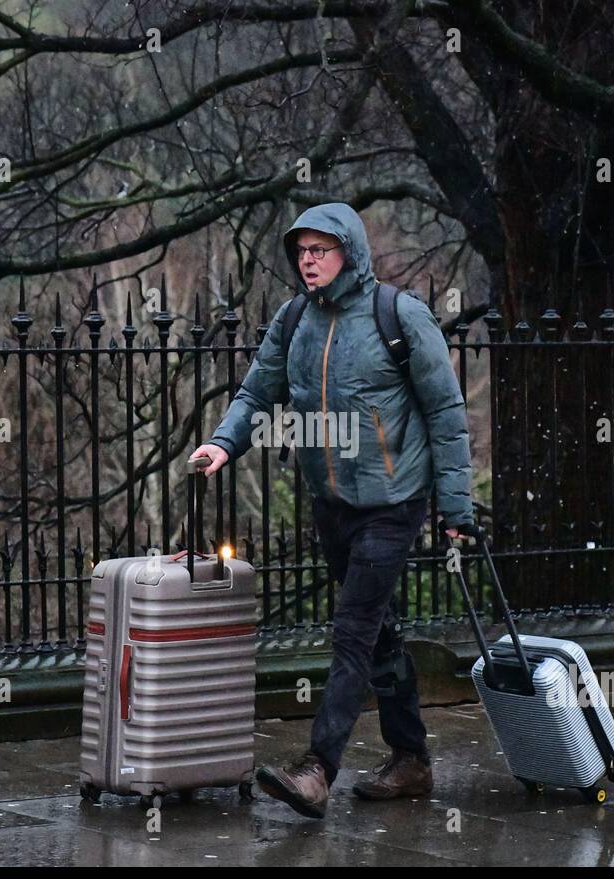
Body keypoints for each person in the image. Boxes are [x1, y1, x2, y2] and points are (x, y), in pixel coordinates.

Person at [189, 202, 474, 819]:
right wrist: (223, 442)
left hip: (394, 502)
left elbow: (447, 415)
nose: (308, 261)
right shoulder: (295, 320)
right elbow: (257, 390)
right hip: (331, 502)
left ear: (351, 252)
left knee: (351, 629)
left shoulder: (398, 316)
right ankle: (411, 759)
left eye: (321, 249)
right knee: (379, 633)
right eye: (301, 251)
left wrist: (455, 504)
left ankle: (318, 768)